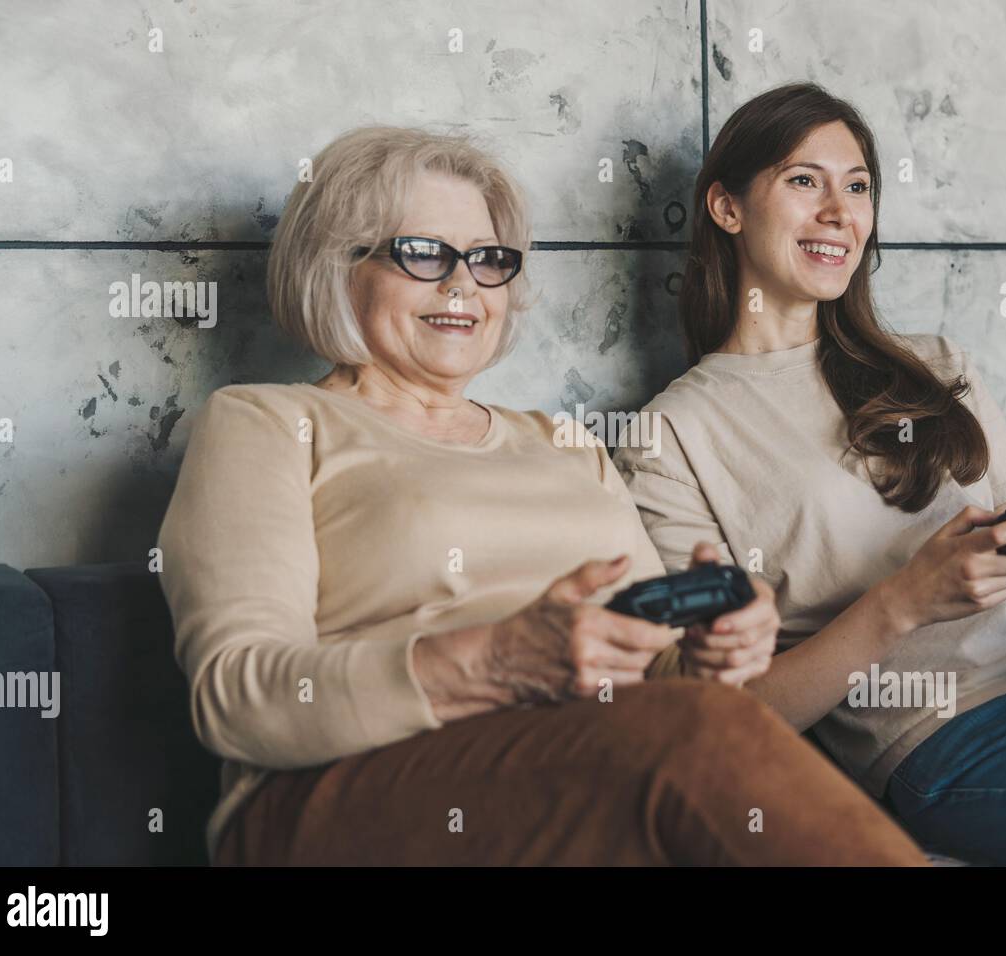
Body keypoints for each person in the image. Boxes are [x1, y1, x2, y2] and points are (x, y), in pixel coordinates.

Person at [156, 124, 928, 866]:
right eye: (424, 254)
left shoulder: (563, 444)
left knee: (712, 718)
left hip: (581, 773)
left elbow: (658, 681)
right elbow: (237, 698)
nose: (464, 286)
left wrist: (710, 649)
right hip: (341, 794)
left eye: (489, 259)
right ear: (334, 263)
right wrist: (494, 660)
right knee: (703, 735)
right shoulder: (266, 423)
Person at [614, 82, 1006, 865]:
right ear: (726, 207)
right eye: (803, 180)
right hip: (962, 731)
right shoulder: (669, 434)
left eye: (857, 187)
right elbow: (725, 714)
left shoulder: (935, 365)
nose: (839, 212)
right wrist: (904, 602)